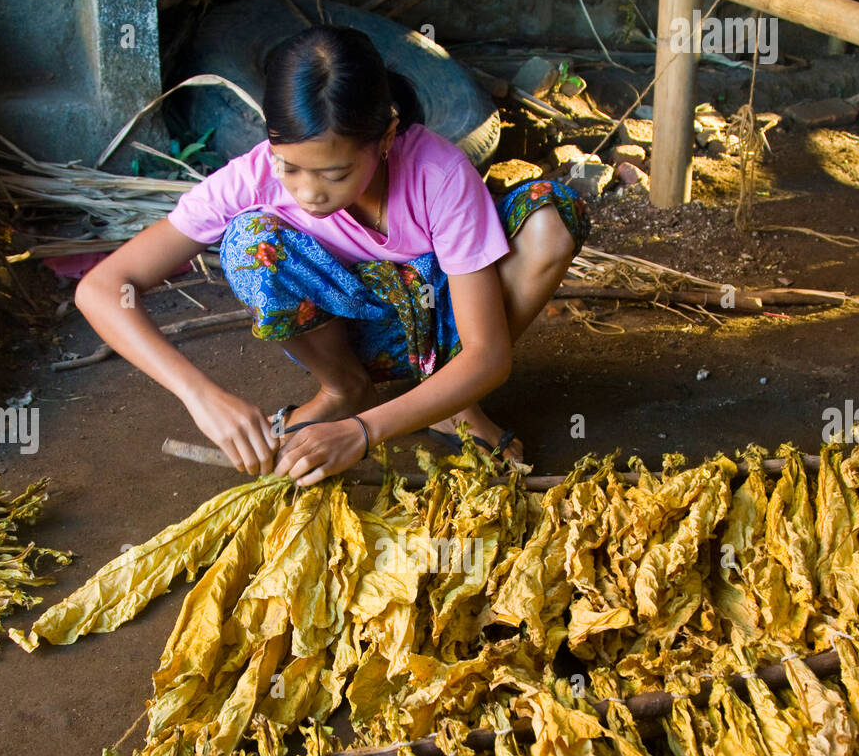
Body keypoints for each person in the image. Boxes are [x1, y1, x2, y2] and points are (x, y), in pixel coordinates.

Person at [75, 24, 590, 486]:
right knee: (252, 242)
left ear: (386, 137)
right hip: (355, 334)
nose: (307, 193)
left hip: (447, 331)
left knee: (549, 218)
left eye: (335, 173)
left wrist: (364, 435)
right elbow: (102, 288)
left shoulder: (440, 174)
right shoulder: (252, 178)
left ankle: (451, 402)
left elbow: (488, 354)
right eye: (289, 166)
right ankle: (345, 389)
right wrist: (200, 395)